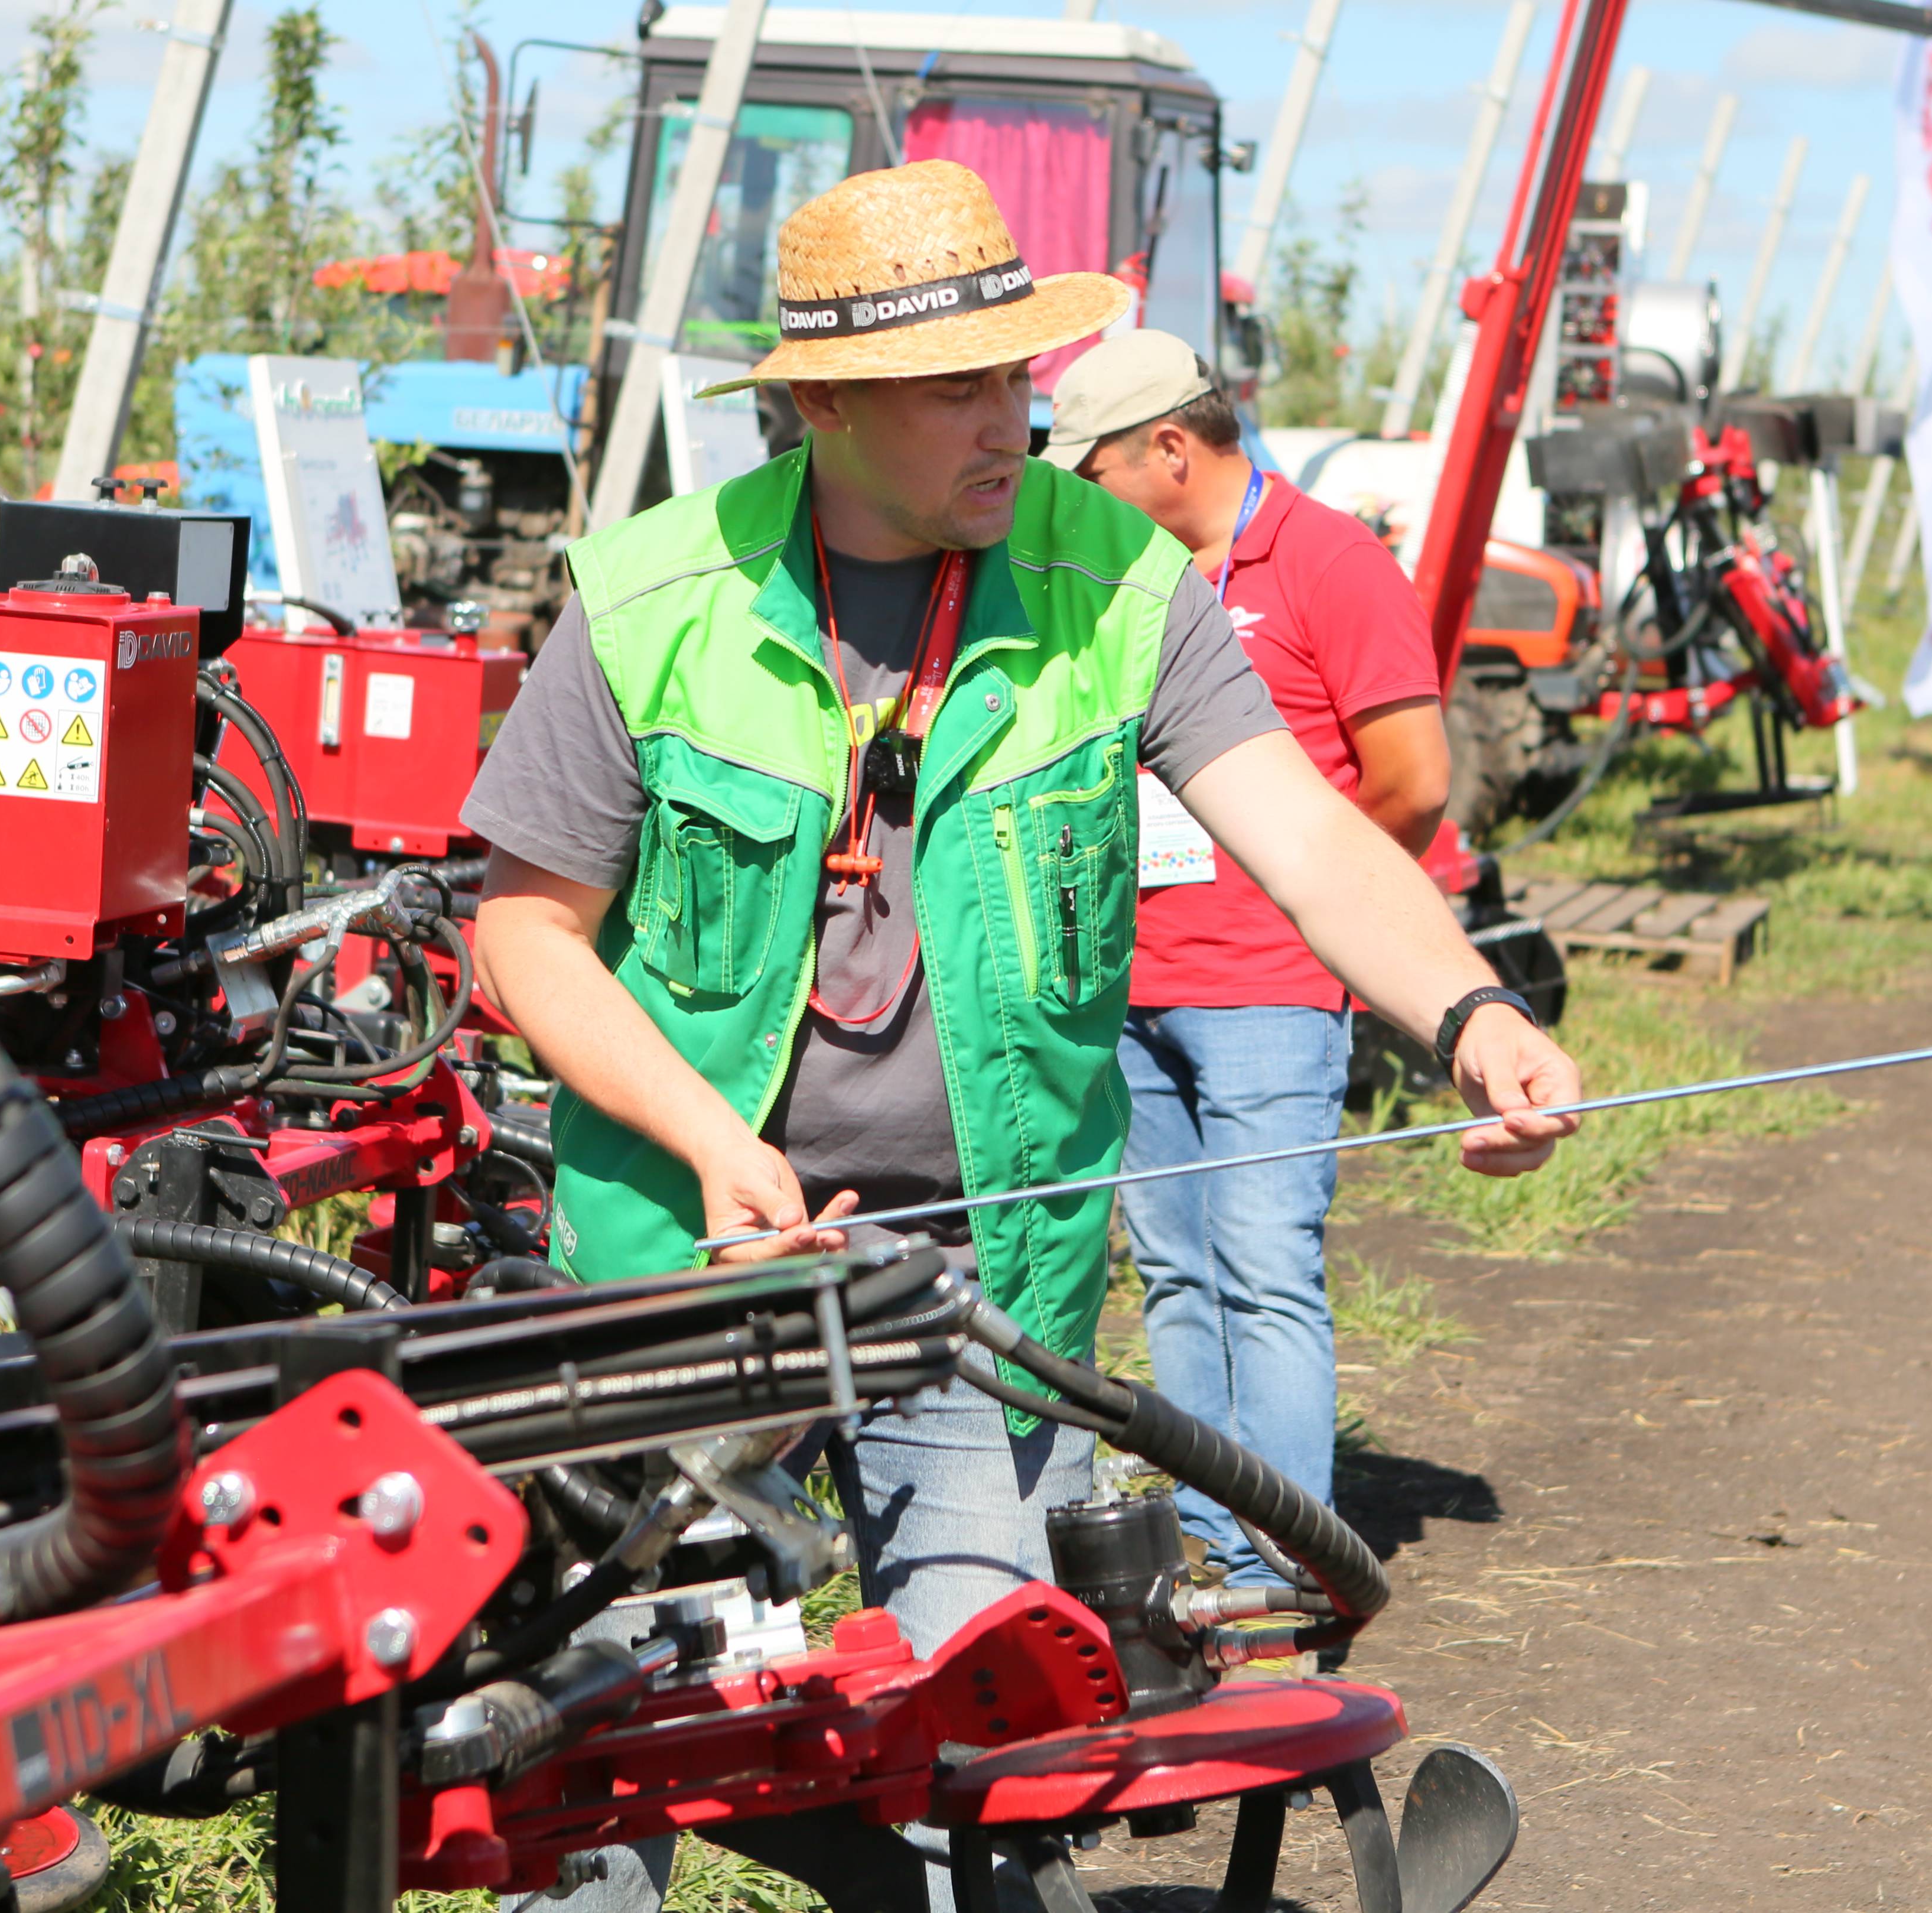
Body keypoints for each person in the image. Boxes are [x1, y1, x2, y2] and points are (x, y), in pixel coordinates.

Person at [461, 160, 1582, 1912]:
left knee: (987, 1738)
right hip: (682, 1267)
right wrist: (709, 1142)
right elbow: (528, 933)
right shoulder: (648, 598)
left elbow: (1308, 834)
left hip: (976, 1278)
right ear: (822, 404)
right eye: (961, 384)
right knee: (608, 1733)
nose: (1017, 416)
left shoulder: (1116, 582)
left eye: (1020, 372)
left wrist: (1471, 1009)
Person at [1044, 331, 1450, 1603]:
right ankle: (1223, 1546)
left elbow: (1414, 784)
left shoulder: (1329, 560)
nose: (1076, 497)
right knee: (1174, 1268)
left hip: (1272, 984)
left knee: (1265, 1264)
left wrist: (1310, 907)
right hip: (1135, 979)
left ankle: (1287, 1556)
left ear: (1172, 447)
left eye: (1094, 470)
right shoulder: (1118, 577)